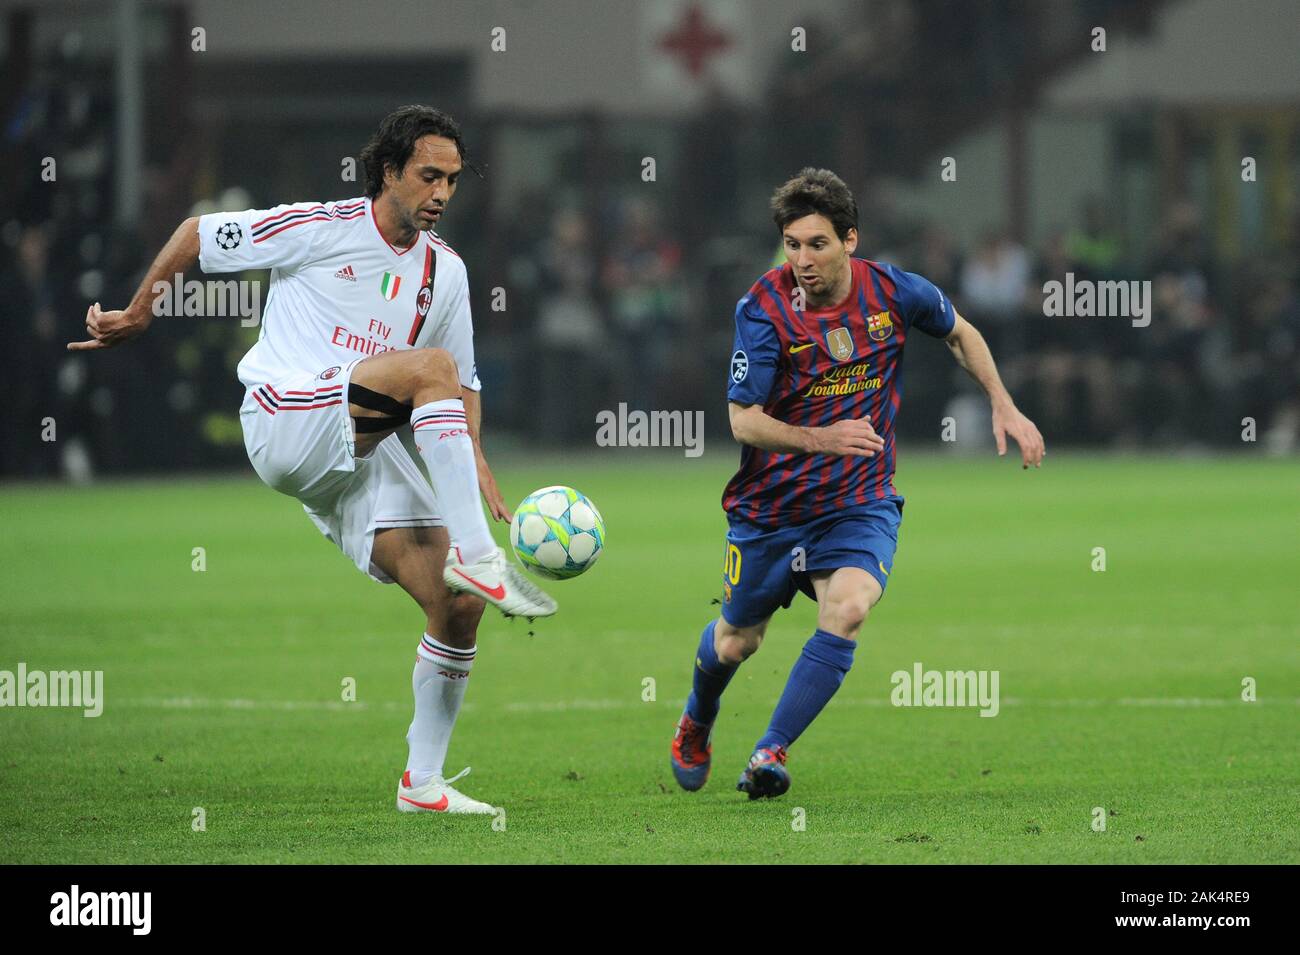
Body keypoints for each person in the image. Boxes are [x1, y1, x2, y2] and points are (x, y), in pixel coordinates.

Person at [67, 105, 556, 815]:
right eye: (428, 176)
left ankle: (423, 783)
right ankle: (480, 552)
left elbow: (463, 383)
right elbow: (196, 234)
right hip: (283, 417)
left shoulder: (444, 272)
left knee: (457, 608)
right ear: (388, 170)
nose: (442, 194)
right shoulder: (323, 226)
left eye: (452, 180)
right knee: (429, 370)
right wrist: (142, 312)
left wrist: (476, 464)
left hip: (357, 449)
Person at [670, 168, 1044, 799]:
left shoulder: (893, 291)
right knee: (737, 642)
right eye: (792, 245)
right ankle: (697, 719)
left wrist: (1003, 403)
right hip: (770, 508)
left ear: (850, 240)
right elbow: (743, 421)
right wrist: (823, 437)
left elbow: (961, 333)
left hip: (856, 501)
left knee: (847, 609)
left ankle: (769, 751)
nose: (802, 260)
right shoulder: (763, 310)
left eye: (816, 244)